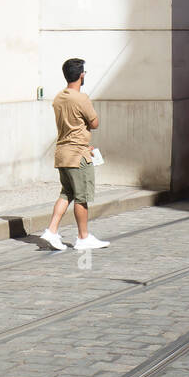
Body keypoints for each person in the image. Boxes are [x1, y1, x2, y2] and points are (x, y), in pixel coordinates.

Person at [40, 59, 110, 252]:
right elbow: (95, 123)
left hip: (62, 152)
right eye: (84, 73)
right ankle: (83, 237)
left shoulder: (58, 98)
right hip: (78, 153)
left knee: (66, 193)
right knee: (81, 197)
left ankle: (52, 231)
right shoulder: (81, 98)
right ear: (81, 75)